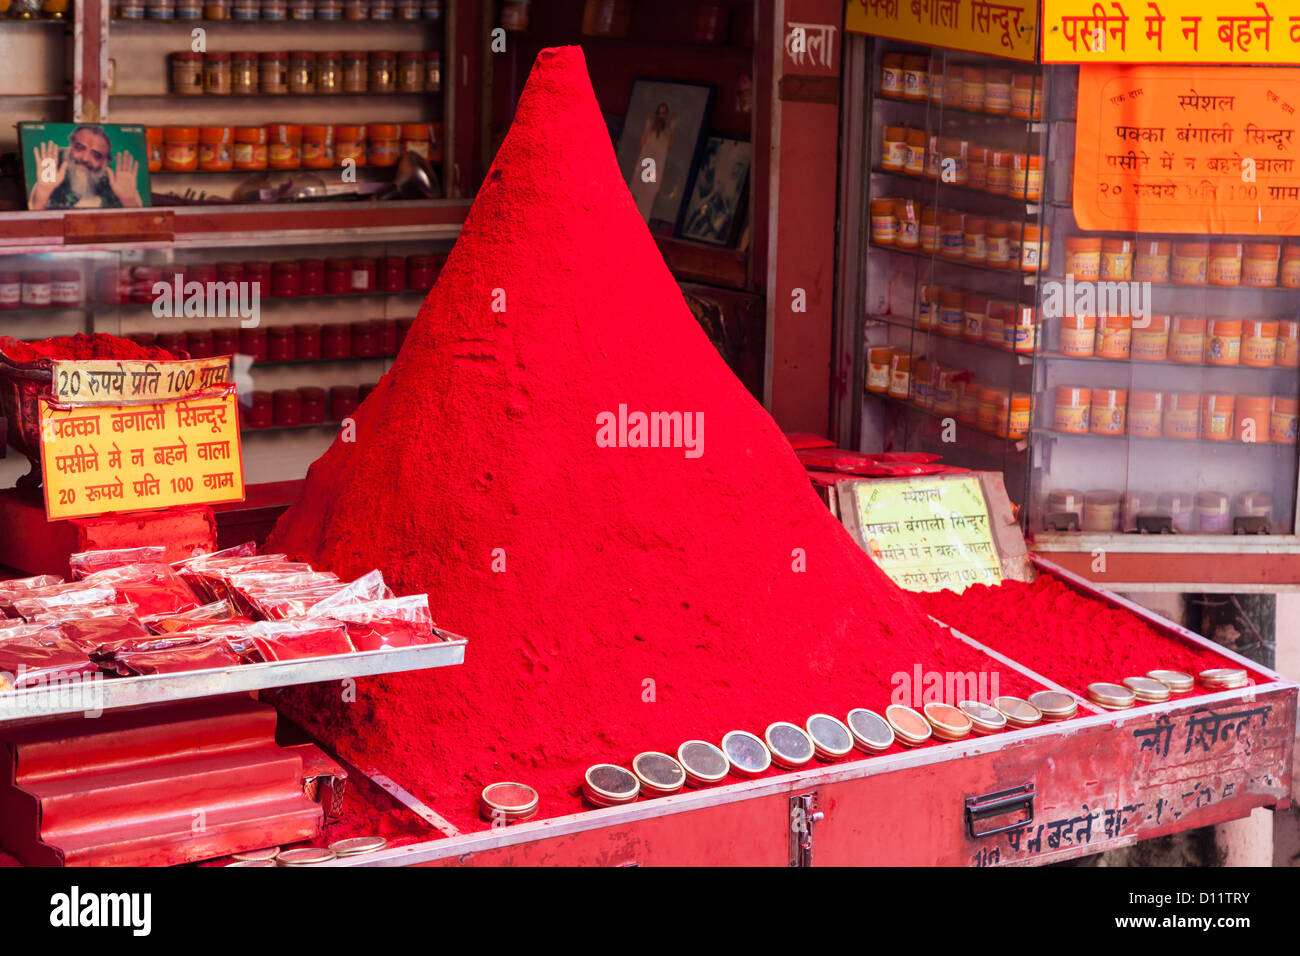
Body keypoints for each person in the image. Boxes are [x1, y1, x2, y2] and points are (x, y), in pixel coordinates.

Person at [28, 125, 142, 210]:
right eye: (80, 147)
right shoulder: (49, 173)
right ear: (71, 146)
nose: (86, 158)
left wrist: (128, 200)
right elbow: (34, 226)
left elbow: (139, 227)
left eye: (96, 155)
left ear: (105, 162)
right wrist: (43, 192)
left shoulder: (121, 185)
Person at [629, 102, 675, 223]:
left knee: (648, 195)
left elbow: (670, 147)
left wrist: (672, 129)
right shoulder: (651, 128)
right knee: (639, 192)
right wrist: (648, 126)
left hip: (655, 166)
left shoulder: (667, 131)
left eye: (664, 113)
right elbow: (641, 144)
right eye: (659, 113)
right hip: (646, 163)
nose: (661, 116)